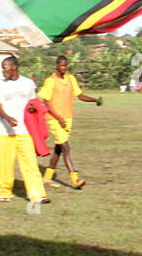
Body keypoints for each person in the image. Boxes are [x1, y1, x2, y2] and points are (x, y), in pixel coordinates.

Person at [0, 55, 48, 203]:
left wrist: (34, 108)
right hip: (4, 131)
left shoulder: (28, 83)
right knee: (4, 164)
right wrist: (7, 118)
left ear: (13, 67)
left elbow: (33, 102)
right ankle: (4, 193)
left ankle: (37, 194)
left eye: (5, 68)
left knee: (29, 162)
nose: (3, 71)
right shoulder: (0, 86)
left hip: (24, 130)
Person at [40, 55, 102, 189]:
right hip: (54, 119)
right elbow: (45, 100)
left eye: (65, 65)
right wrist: (58, 118)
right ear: (57, 65)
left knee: (59, 149)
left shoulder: (70, 79)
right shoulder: (50, 81)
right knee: (66, 147)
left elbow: (80, 95)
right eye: (61, 65)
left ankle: (47, 178)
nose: (63, 67)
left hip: (67, 118)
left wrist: (95, 100)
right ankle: (75, 179)